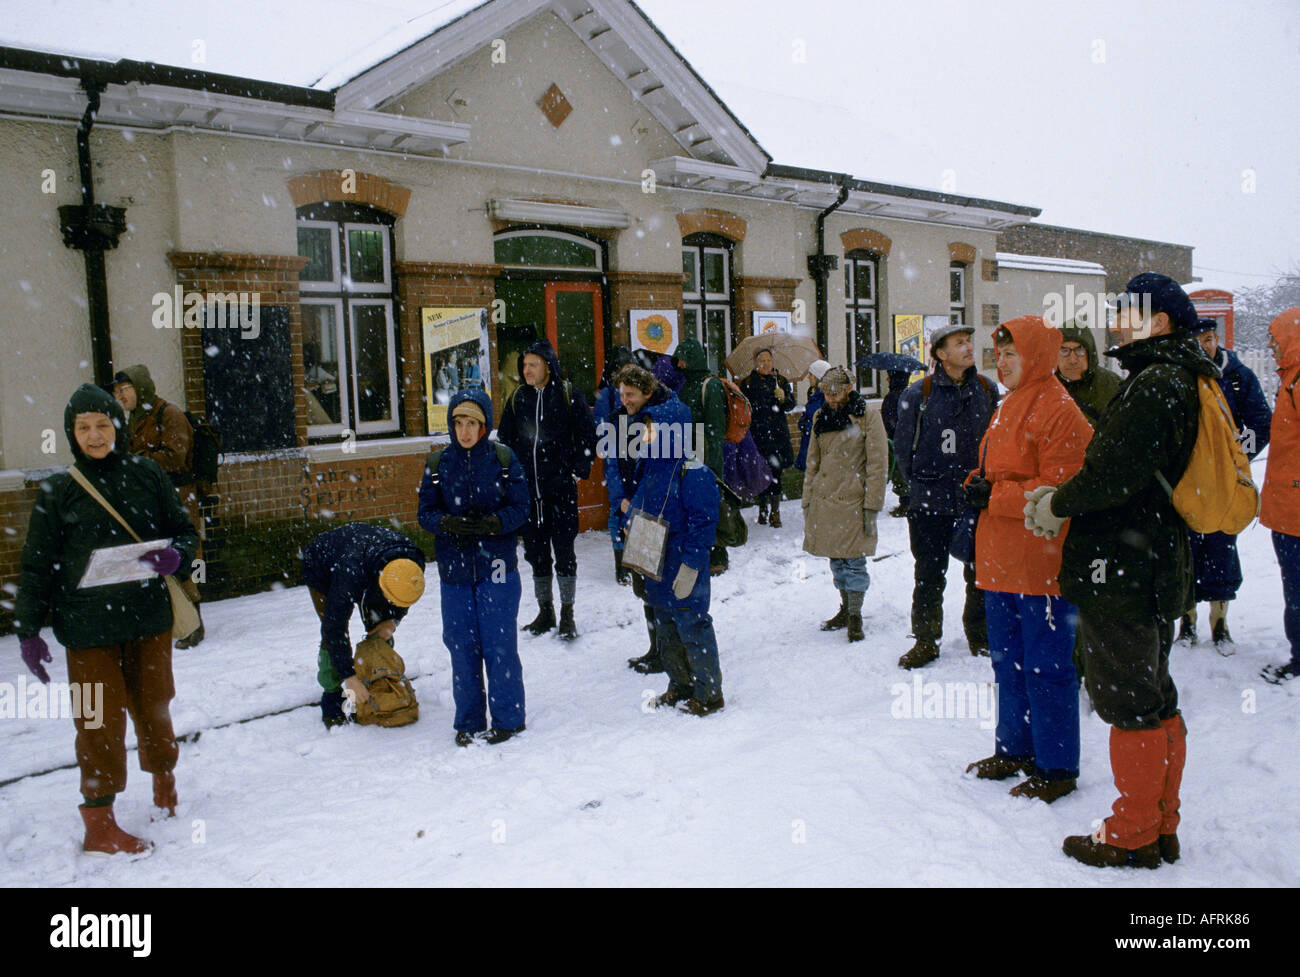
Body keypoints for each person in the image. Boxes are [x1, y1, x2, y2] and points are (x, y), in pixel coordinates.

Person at [1026, 273, 1209, 870]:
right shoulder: (1182, 376)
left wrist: (1057, 502)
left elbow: (1111, 473)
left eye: (1125, 312)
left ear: (1156, 322)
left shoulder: (1156, 383)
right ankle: (1162, 822)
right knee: (1155, 696)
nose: (1113, 322)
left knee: (1129, 702)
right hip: (1154, 562)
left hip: (1123, 568)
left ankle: (1132, 833)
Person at [14, 384, 200, 856]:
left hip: (146, 619)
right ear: (71, 434)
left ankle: (163, 779)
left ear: (116, 426)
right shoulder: (59, 492)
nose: (94, 436)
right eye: (83, 428)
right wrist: (28, 630)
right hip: (87, 631)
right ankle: (99, 824)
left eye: (102, 424)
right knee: (96, 722)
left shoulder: (147, 474)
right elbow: (37, 564)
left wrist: (176, 556)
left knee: (156, 705)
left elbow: (183, 530)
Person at [963, 317, 1092, 803]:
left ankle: (1056, 765)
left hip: (1041, 565)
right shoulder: (1009, 403)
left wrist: (992, 495)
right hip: (1000, 560)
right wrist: (977, 483)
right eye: (999, 354)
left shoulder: (1061, 410)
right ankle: (1014, 747)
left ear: (1036, 355)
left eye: (1012, 354)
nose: (1002, 362)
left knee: (1047, 666)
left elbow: (1058, 492)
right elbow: (1001, 471)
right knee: (1007, 663)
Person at [418, 389, 531, 744]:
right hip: (454, 570)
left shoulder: (503, 459)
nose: (465, 431)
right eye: (458, 423)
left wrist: (495, 524)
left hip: (496, 564)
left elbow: (522, 507)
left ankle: (508, 719)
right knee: (461, 647)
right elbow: (425, 513)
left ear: (484, 426)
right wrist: (446, 524)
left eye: (472, 423)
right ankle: (468, 721)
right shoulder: (438, 464)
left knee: (499, 643)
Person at [892, 323, 998, 668]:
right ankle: (926, 640)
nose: (969, 348)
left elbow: (996, 444)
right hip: (929, 502)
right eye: (960, 343)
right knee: (928, 574)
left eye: (969, 342)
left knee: (979, 572)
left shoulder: (987, 389)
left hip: (975, 500)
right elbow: (903, 452)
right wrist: (924, 486)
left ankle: (979, 636)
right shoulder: (918, 395)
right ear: (941, 353)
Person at [621, 387, 725, 715]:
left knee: (692, 625)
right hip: (655, 559)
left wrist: (692, 565)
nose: (646, 434)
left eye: (652, 429)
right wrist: (628, 521)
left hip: (682, 560)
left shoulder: (693, 472)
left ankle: (709, 692)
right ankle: (679, 683)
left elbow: (704, 522)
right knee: (665, 625)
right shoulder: (651, 467)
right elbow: (639, 502)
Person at [1179, 317, 1273, 651]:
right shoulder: (1179, 375)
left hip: (1224, 484)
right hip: (1188, 482)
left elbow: (1261, 422)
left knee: (1222, 549)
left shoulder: (1238, 377)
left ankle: (1220, 623)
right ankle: (1186, 622)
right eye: (1196, 340)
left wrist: (1237, 456)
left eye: (1207, 339)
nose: (1202, 346)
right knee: (1186, 552)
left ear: (1216, 339)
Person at [497, 338, 597, 640]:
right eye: (524, 365)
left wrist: (577, 472)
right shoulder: (517, 399)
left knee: (564, 552)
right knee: (536, 554)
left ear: (548, 367)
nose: (526, 370)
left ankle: (567, 613)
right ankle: (545, 611)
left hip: (560, 492)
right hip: (529, 494)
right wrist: (513, 478)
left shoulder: (567, 395)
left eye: (532, 365)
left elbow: (588, 438)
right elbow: (506, 442)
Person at [111, 365, 208, 649]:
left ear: (140, 388)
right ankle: (170, 621)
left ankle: (194, 625)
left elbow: (175, 458)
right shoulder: (134, 419)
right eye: (116, 392)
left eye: (124, 389)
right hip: (151, 500)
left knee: (182, 559)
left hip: (178, 498)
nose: (119, 396)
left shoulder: (169, 415)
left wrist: (136, 460)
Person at [301, 523, 426, 729]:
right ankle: (332, 693)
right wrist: (348, 676)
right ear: (382, 583)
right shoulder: (349, 574)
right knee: (331, 632)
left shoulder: (412, 565)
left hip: (368, 559)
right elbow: (335, 628)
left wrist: (392, 622)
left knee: (380, 627)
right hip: (323, 566)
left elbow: (404, 599)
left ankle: (379, 676)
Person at [800, 366, 888, 642]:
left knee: (854, 561)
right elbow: (812, 460)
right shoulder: (820, 416)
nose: (831, 398)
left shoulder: (867, 417)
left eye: (836, 393)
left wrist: (872, 505)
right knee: (836, 558)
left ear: (849, 390)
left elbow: (877, 464)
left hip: (854, 500)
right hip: (825, 499)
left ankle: (855, 615)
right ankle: (845, 607)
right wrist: (808, 497)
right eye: (826, 393)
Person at [607, 363, 679, 675]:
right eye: (622, 393)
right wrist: (619, 500)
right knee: (643, 582)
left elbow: (663, 470)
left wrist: (636, 503)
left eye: (631, 394)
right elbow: (612, 463)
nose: (625, 399)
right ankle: (657, 647)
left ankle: (668, 650)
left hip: (657, 509)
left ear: (647, 392)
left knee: (659, 583)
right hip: (630, 509)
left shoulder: (665, 416)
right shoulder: (618, 418)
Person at [1261, 307, 1300, 684]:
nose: (1271, 346)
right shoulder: (1291, 378)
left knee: (1298, 589)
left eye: (1275, 338)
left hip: (1295, 512)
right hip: (1290, 508)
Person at [674, 337, 730, 574]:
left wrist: (713, 468)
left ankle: (718, 553)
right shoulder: (685, 385)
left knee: (710, 503)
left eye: (683, 359)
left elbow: (715, 429)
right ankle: (700, 551)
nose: (680, 365)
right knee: (694, 506)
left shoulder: (711, 385)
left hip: (706, 455)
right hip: (689, 452)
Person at [739, 349, 796, 527]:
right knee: (760, 472)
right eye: (762, 360)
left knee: (776, 473)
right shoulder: (747, 383)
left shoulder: (780, 381)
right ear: (755, 363)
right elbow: (744, 408)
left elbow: (790, 404)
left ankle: (775, 512)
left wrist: (783, 398)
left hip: (777, 436)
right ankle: (762, 509)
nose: (766, 363)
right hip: (758, 435)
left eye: (769, 360)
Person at [594, 345, 635, 585]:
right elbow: (601, 430)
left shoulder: (637, 393)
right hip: (616, 460)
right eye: (624, 368)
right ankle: (621, 565)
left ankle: (634, 558)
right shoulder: (607, 396)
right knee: (617, 510)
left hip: (634, 458)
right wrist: (611, 457)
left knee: (634, 507)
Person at [1055, 318, 1122, 425]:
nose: (1073, 360)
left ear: (1090, 353)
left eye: (1079, 350)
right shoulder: (1044, 389)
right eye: (1064, 351)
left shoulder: (1113, 385)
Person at [880, 368, 912, 516]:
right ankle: (908, 501)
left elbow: (889, 420)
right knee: (906, 471)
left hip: (897, 441)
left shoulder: (892, 397)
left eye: (889, 377)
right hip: (910, 440)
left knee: (899, 473)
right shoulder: (910, 394)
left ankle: (905, 504)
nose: (887, 380)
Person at [795, 359, 832, 472]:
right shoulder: (815, 395)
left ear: (818, 376)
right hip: (810, 443)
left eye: (811, 374)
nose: (808, 377)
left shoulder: (825, 398)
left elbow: (822, 422)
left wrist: (806, 425)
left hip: (816, 446)